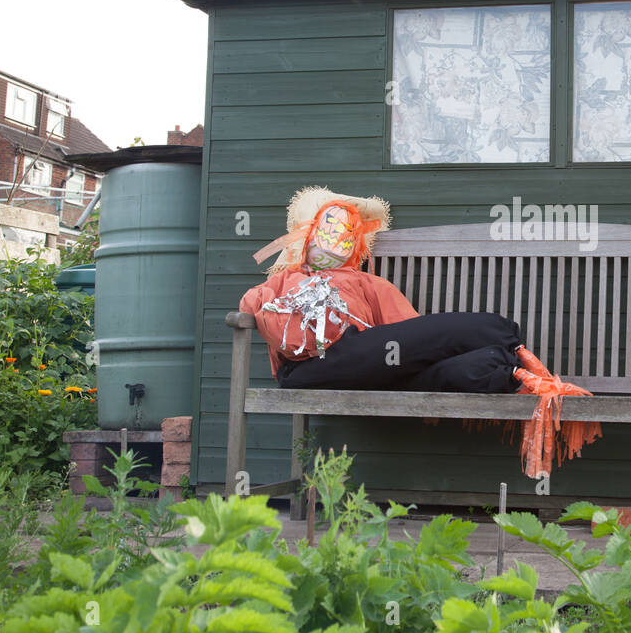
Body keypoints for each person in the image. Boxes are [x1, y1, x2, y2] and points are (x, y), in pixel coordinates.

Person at [238, 186, 599, 477]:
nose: (336, 240)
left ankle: (506, 365)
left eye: (346, 233)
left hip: (372, 368)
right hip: (309, 371)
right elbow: (268, 323)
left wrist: (390, 355)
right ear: (305, 235)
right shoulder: (281, 283)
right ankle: (498, 339)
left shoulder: (368, 284)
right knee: (484, 332)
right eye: (328, 230)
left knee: (479, 363)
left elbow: (410, 339)